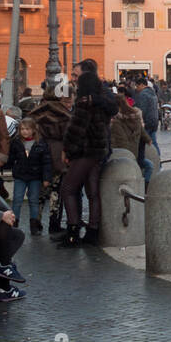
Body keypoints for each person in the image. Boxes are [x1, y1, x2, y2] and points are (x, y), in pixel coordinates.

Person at [58, 71, 119, 247]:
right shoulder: (101, 101)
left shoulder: (85, 103)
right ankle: (93, 231)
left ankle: (72, 232)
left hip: (85, 151)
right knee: (93, 193)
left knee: (68, 189)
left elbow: (76, 130)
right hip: (98, 150)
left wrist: (67, 150)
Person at [6, 116, 51, 234]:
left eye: (27, 129)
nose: (24, 131)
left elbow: (46, 162)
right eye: (22, 129)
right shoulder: (16, 142)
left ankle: (34, 226)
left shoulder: (40, 143)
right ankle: (13, 224)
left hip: (35, 176)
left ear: (33, 130)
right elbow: (11, 158)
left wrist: (46, 178)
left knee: (33, 200)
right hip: (20, 175)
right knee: (17, 200)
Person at [112, 96, 154, 184]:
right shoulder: (135, 117)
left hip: (124, 156)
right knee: (149, 165)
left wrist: (128, 156)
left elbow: (122, 140)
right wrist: (148, 139)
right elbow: (142, 131)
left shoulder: (116, 121)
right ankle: (144, 185)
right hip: (135, 153)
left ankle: (142, 185)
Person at [134, 77, 161, 154]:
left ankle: (144, 159)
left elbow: (142, 110)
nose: (136, 88)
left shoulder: (143, 94)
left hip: (147, 121)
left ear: (142, 85)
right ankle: (157, 158)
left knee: (143, 142)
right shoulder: (152, 93)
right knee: (153, 141)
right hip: (154, 120)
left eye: (137, 86)